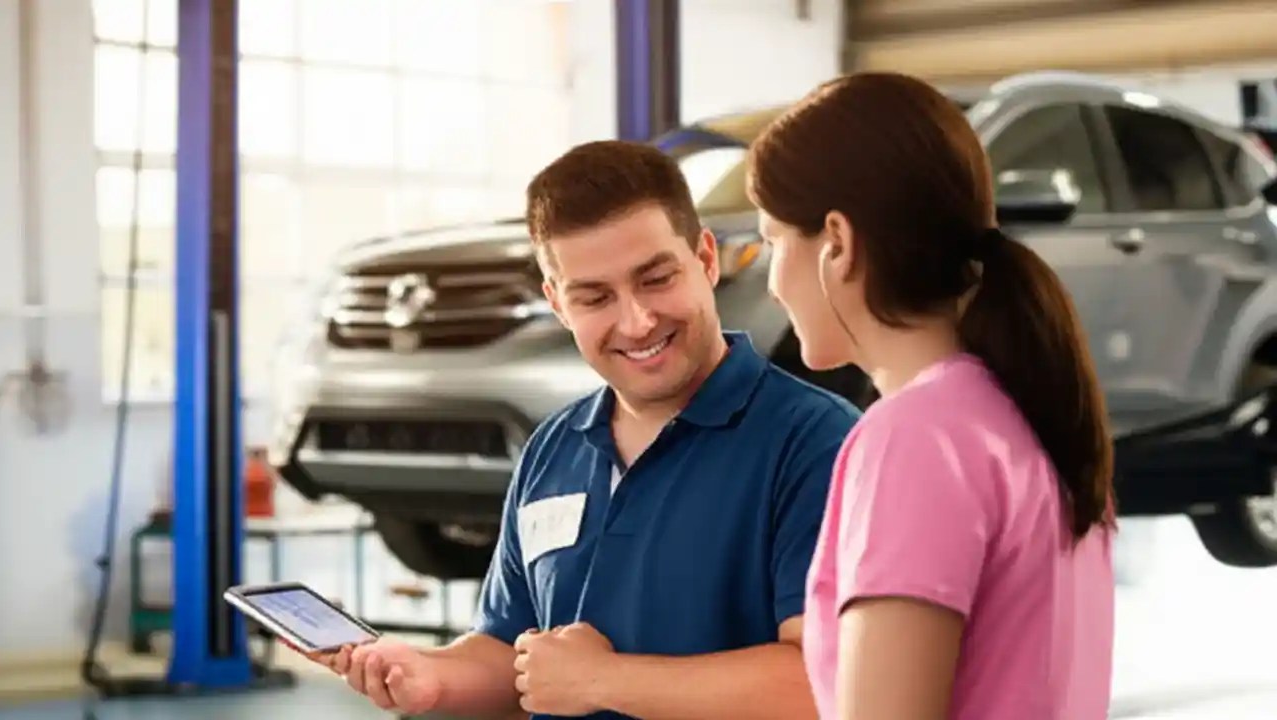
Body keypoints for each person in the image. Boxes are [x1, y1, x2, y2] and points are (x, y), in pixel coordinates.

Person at [301, 140, 860, 719]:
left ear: (707, 260)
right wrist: (431, 675)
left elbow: (829, 683)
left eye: (656, 279)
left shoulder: (817, 443)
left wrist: (606, 681)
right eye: (594, 297)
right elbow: (512, 653)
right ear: (558, 304)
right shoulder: (554, 447)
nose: (636, 321)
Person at [746, 72, 1117, 720]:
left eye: (774, 239)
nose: (775, 282)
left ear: (838, 241)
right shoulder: (1031, 414)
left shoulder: (914, 439)